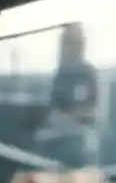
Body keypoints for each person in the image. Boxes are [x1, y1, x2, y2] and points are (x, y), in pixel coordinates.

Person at [35, 23, 101, 167]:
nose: (71, 47)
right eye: (67, 42)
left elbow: (94, 111)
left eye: (74, 42)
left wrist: (76, 117)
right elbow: (52, 107)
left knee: (81, 145)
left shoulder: (89, 74)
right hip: (59, 132)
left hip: (83, 132)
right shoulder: (60, 75)